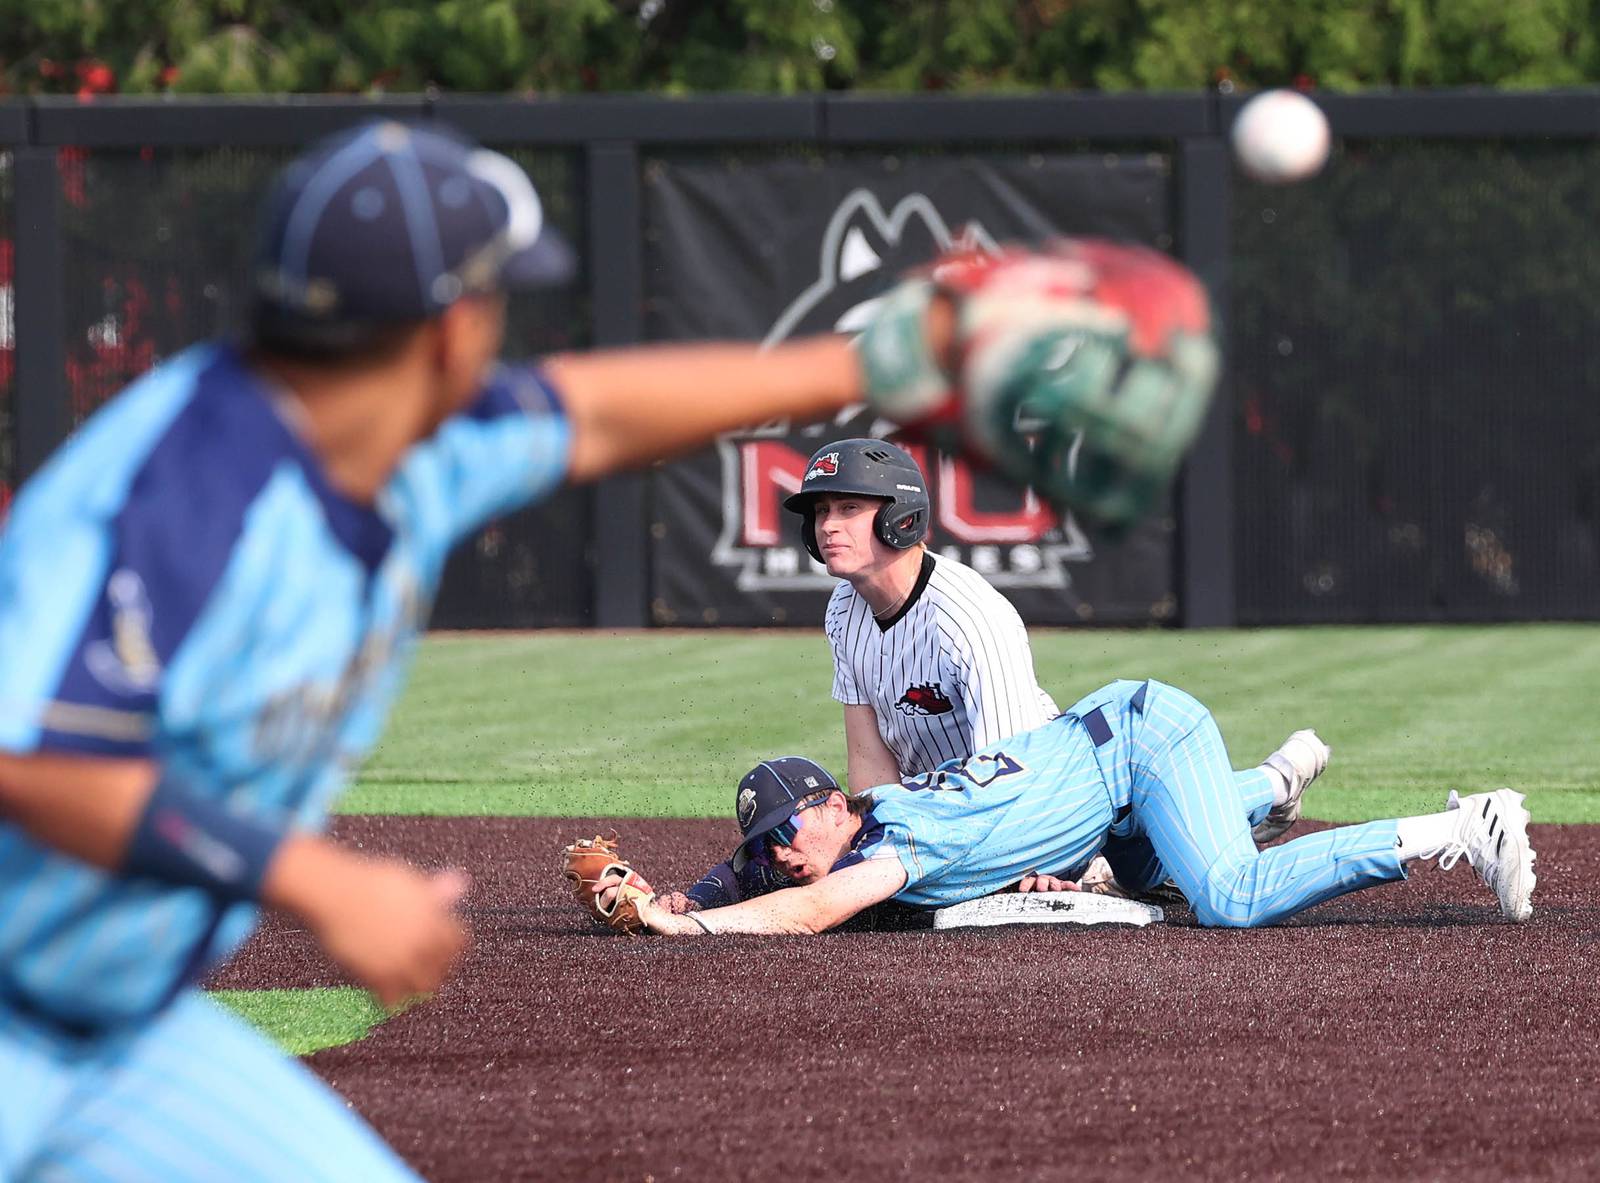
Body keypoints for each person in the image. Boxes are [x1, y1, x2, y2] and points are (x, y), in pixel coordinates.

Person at [0, 121, 1210, 1179]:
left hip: (118, 1031)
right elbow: (26, 758)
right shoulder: (178, 503)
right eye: (491, 294)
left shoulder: (406, 429)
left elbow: (597, 407)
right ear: (442, 328)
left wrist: (881, 363)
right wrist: (319, 882)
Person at [643, 438, 1321, 914]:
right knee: (1172, 831)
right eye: (820, 512)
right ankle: (1271, 784)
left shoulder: (966, 615)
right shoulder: (843, 609)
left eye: (848, 508)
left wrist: (1037, 865)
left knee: (1154, 857)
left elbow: (1012, 773)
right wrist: (876, 848)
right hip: (947, 815)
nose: (827, 526)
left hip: (1046, 800)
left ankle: (1267, 785)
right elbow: (868, 760)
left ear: (899, 516)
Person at [632, 678, 1536, 937]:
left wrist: (698, 933)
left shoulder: (900, 832)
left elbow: (814, 907)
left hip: (1141, 743)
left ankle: (1462, 824)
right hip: (1112, 789)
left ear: (830, 806)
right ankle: (1270, 784)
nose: (779, 852)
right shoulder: (855, 813)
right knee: (1158, 868)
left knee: (1228, 895)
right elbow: (761, 867)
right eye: (769, 840)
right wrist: (677, 895)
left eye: (786, 828)